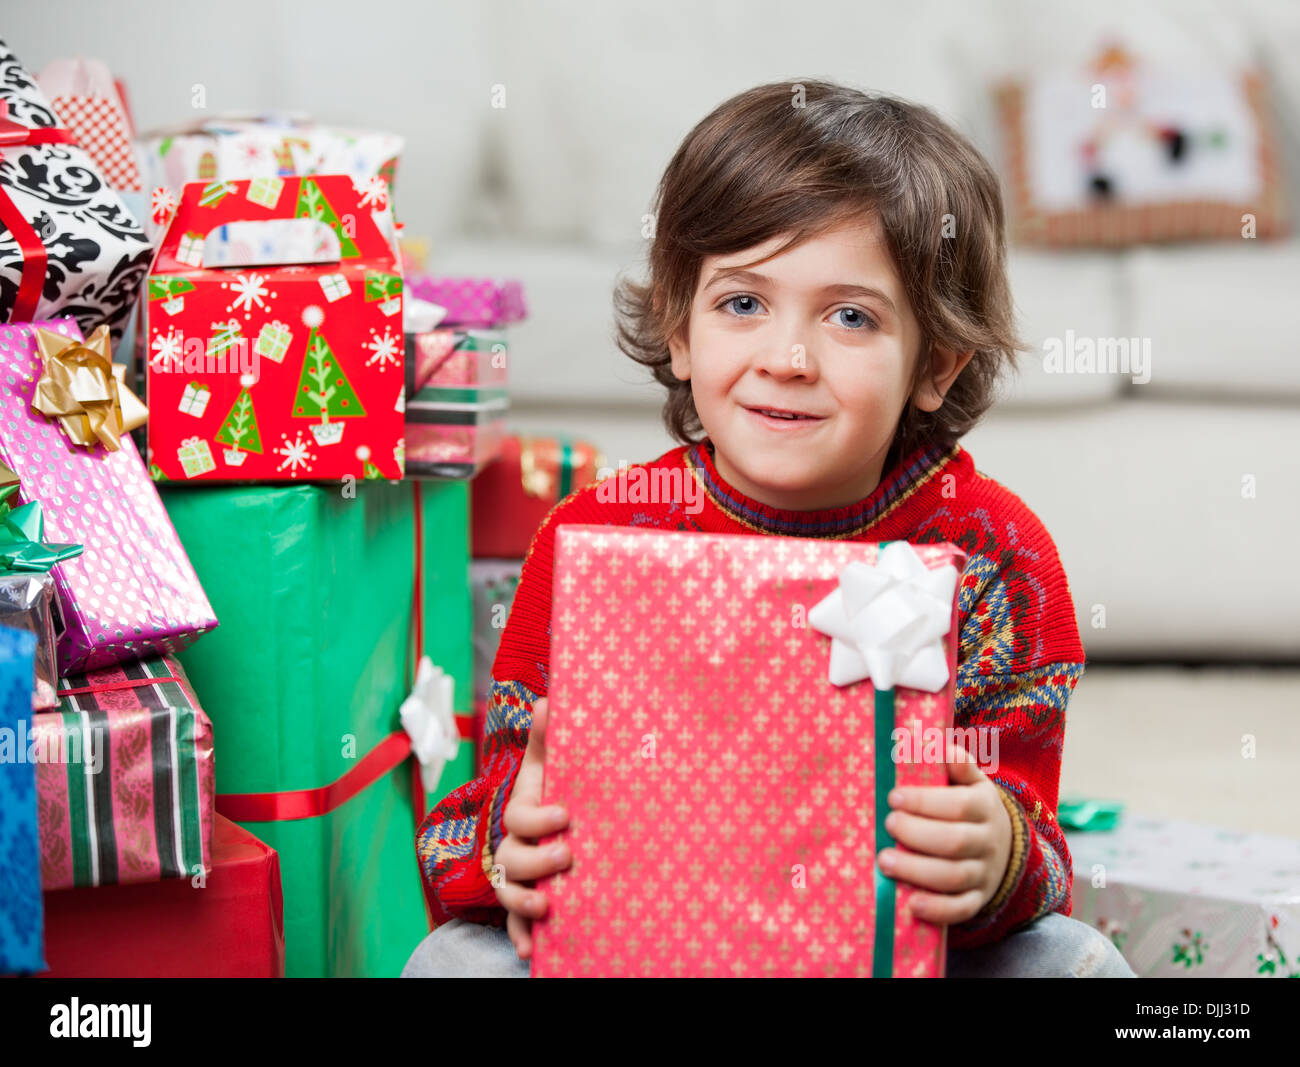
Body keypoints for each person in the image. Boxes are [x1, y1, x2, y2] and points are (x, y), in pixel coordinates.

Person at [404, 79, 1134, 979]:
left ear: (936, 362)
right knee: (452, 962)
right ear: (680, 329)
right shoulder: (597, 535)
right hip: (641, 946)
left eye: (851, 316)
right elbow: (468, 834)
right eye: (743, 304)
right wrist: (510, 850)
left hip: (882, 950)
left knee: (1075, 961)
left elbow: (1043, 848)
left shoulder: (994, 552)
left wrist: (995, 854)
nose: (787, 359)